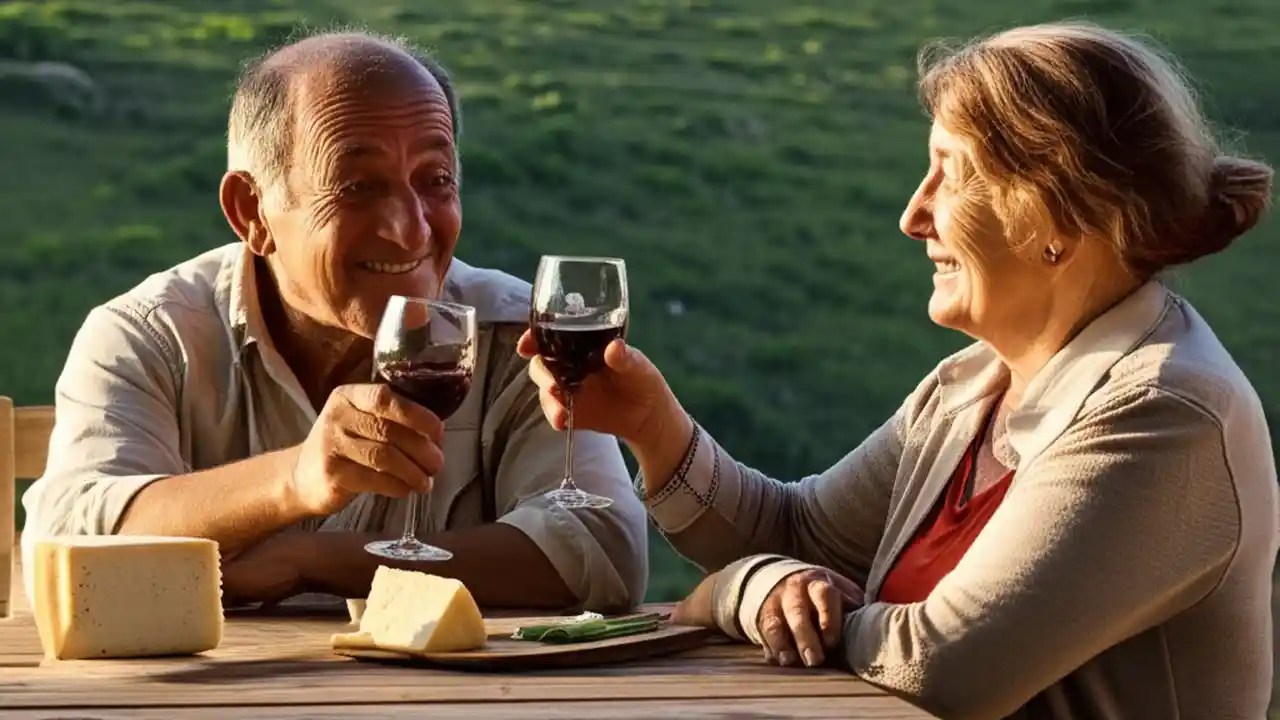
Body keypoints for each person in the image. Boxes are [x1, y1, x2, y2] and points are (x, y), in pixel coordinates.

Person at [520, 21, 1278, 719]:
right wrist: (654, 429)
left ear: (1059, 219)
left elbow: (947, 661)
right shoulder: (973, 385)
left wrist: (737, 592)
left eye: (950, 174)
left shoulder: (1164, 414)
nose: (914, 215)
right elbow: (801, 532)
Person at [21, 30, 647, 614]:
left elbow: (602, 552)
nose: (411, 229)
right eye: (356, 187)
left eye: (435, 180)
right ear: (252, 211)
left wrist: (312, 560)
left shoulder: (516, 339)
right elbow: (70, 546)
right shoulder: (149, 336)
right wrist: (293, 480)